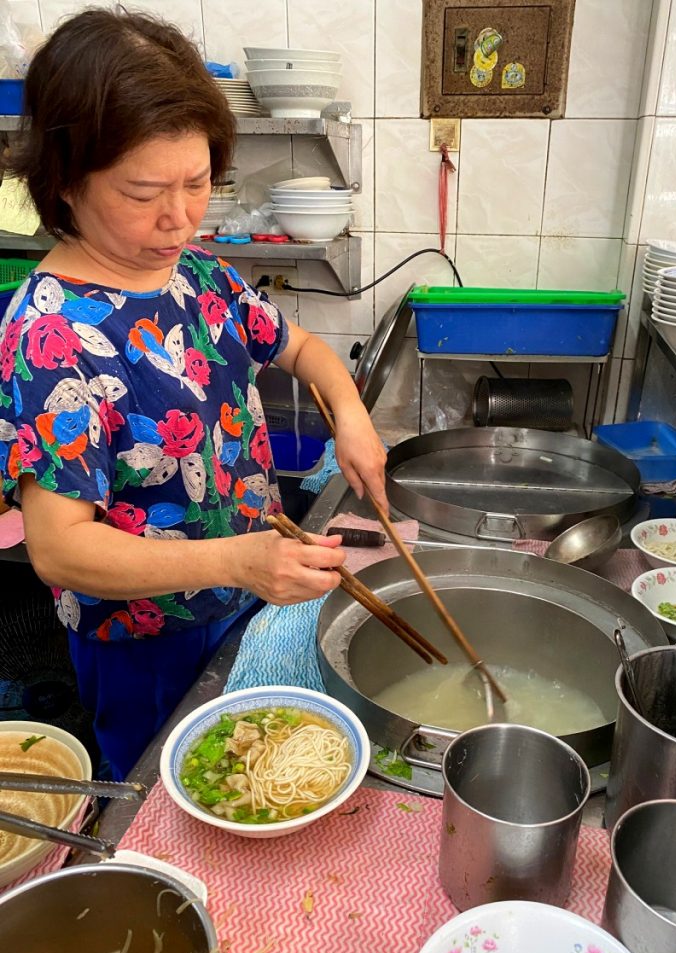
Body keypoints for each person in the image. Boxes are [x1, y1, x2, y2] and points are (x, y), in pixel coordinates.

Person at [0, 9, 387, 779]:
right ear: (66, 181)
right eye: (144, 191)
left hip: (243, 591)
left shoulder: (200, 273)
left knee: (258, 769)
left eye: (200, 181)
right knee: (166, 796)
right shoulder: (48, 334)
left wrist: (353, 418)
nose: (179, 216)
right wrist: (239, 562)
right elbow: (57, 547)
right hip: (143, 640)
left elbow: (301, 347)